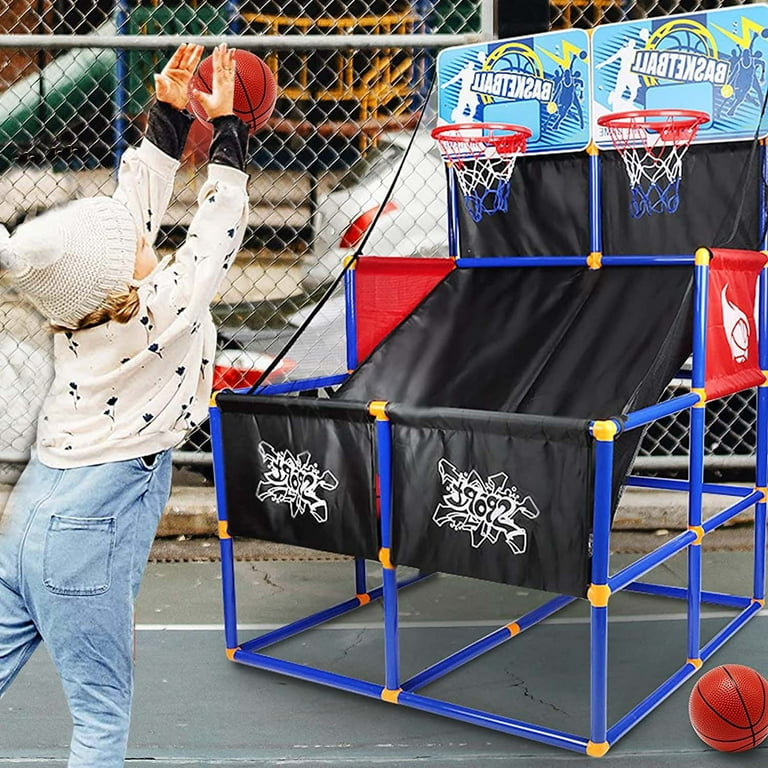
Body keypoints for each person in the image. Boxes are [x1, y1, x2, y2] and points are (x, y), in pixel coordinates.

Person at [0, 41, 250, 766]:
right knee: (101, 716)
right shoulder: (160, 306)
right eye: (132, 244)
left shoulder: (85, 306)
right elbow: (217, 228)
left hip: (30, 523)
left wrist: (169, 115)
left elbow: (129, 202)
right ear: (123, 281)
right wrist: (229, 131)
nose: (139, 233)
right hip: (85, 537)